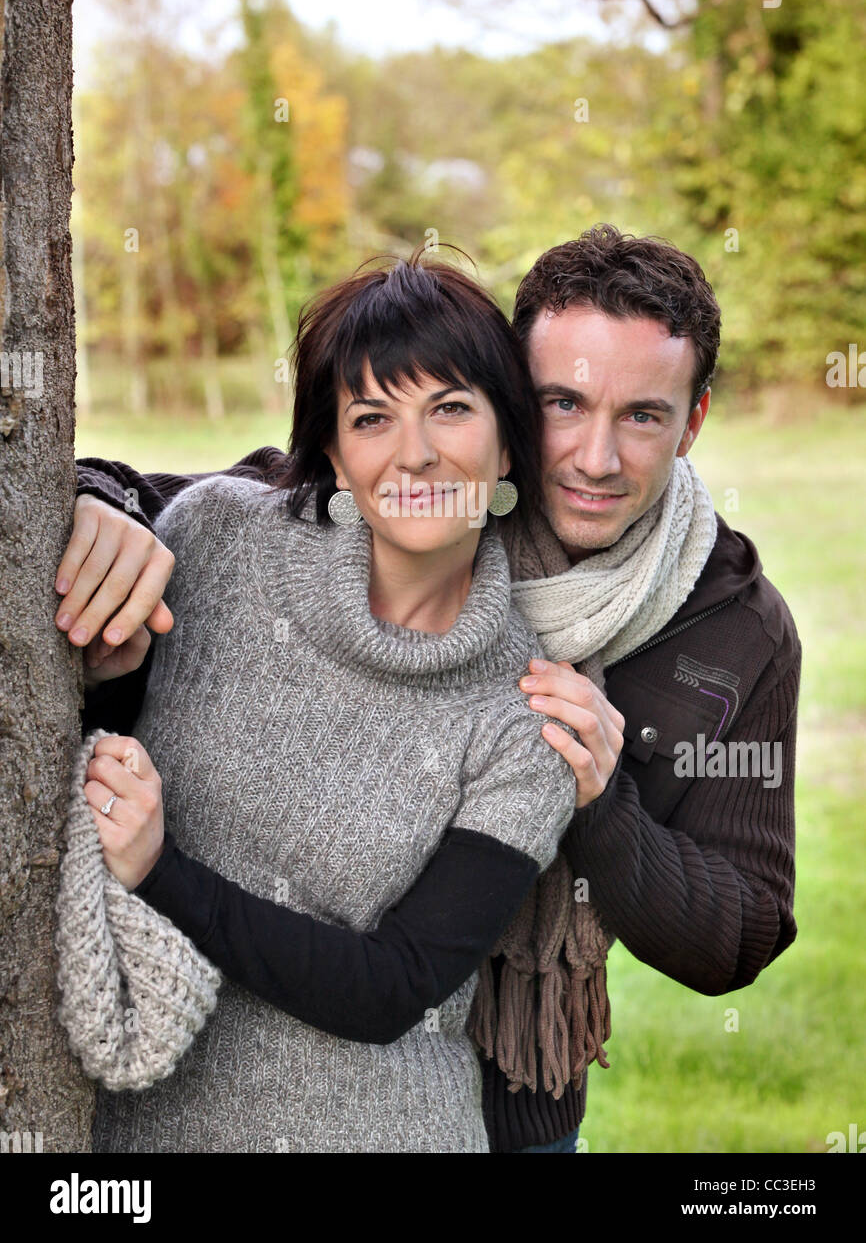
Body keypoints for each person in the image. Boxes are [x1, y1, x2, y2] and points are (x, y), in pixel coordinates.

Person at [61, 224, 799, 1153]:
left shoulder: (731, 629)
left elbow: (741, 935)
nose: (594, 458)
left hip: (503, 1091)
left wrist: (601, 803)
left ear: (691, 422)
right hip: (191, 1071)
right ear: (522, 411)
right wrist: (101, 507)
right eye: (563, 403)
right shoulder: (338, 510)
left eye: (643, 415)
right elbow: (176, 507)